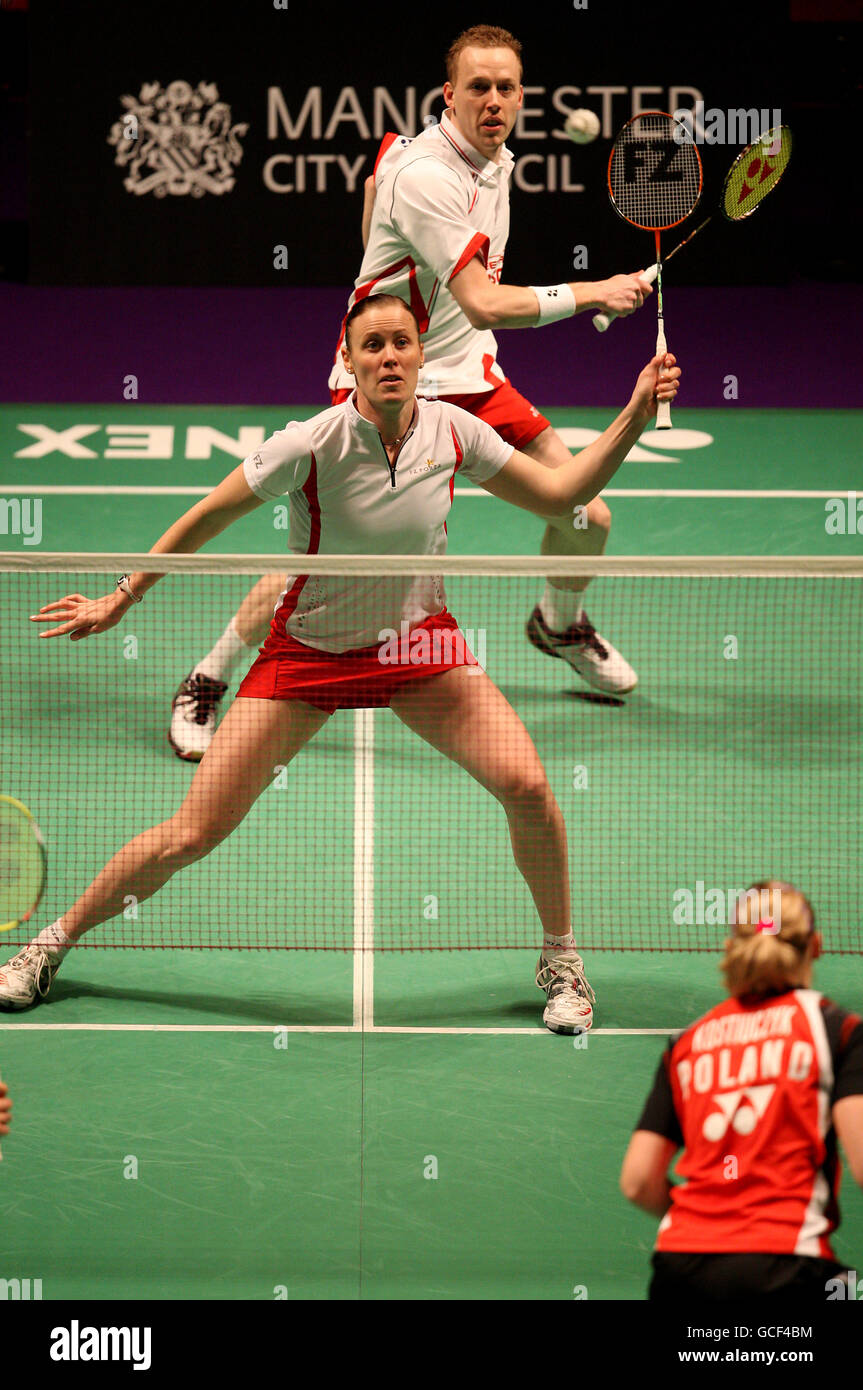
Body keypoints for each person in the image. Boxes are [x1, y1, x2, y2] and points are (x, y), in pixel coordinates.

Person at [1, 295, 679, 1033]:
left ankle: (561, 961)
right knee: (191, 833)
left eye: (402, 344)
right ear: (349, 361)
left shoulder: (454, 429)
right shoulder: (311, 443)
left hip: (417, 649)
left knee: (526, 786)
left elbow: (564, 493)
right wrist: (124, 596)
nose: (389, 356)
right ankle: (49, 945)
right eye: (373, 346)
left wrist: (633, 415)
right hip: (309, 654)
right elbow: (206, 516)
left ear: (423, 357)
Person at [169, 23, 654, 760]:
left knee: (588, 517)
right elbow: (486, 300)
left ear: (522, 95)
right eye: (478, 88)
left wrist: (381, 237)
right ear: (448, 96)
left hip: (470, 369)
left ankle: (557, 624)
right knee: (328, 558)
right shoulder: (427, 173)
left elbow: (380, 209)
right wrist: (594, 291)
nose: (493, 101)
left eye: (506, 87)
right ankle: (208, 677)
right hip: (395, 377)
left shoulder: (487, 163)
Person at [620, 880, 863, 1302]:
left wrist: (710, 1217)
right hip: (788, 1264)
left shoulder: (688, 1044)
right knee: (843, 1290)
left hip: (680, 1265)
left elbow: (638, 1182)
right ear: (816, 946)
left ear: (733, 945)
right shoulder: (836, 1031)